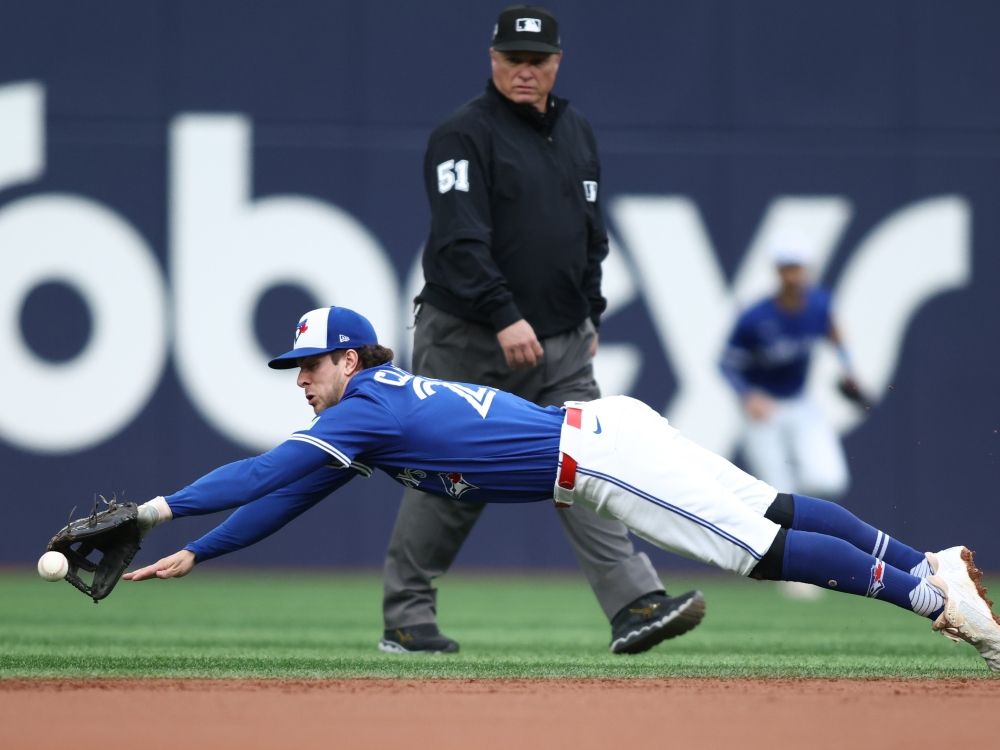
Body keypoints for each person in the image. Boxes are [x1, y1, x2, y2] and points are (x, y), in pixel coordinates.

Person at [125, 305, 1000, 673]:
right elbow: (286, 496)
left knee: (761, 547)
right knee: (769, 507)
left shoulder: (361, 408)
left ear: (349, 360)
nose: (301, 379)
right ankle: (928, 562)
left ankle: (930, 594)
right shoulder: (373, 410)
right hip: (607, 428)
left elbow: (264, 470)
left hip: (604, 462)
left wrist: (150, 511)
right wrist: (199, 549)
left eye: (308, 365)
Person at [379, 4, 697, 655]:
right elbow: (461, 242)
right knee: (452, 474)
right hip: (467, 333)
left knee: (590, 462)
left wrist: (591, 311)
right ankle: (407, 617)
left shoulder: (575, 130)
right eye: (513, 59)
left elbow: (591, 234)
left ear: (557, 62)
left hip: (559, 341)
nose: (525, 71)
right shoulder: (462, 135)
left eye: (538, 60)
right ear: (492, 59)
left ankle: (635, 604)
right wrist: (504, 314)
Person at [720, 237, 860, 501]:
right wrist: (747, 395)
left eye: (797, 267)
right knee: (778, 491)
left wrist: (848, 368)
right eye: (787, 268)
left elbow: (834, 332)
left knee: (828, 480)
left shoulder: (819, 304)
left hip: (798, 400)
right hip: (764, 405)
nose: (793, 275)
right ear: (777, 271)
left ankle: (803, 513)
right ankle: (792, 531)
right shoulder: (755, 317)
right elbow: (726, 363)